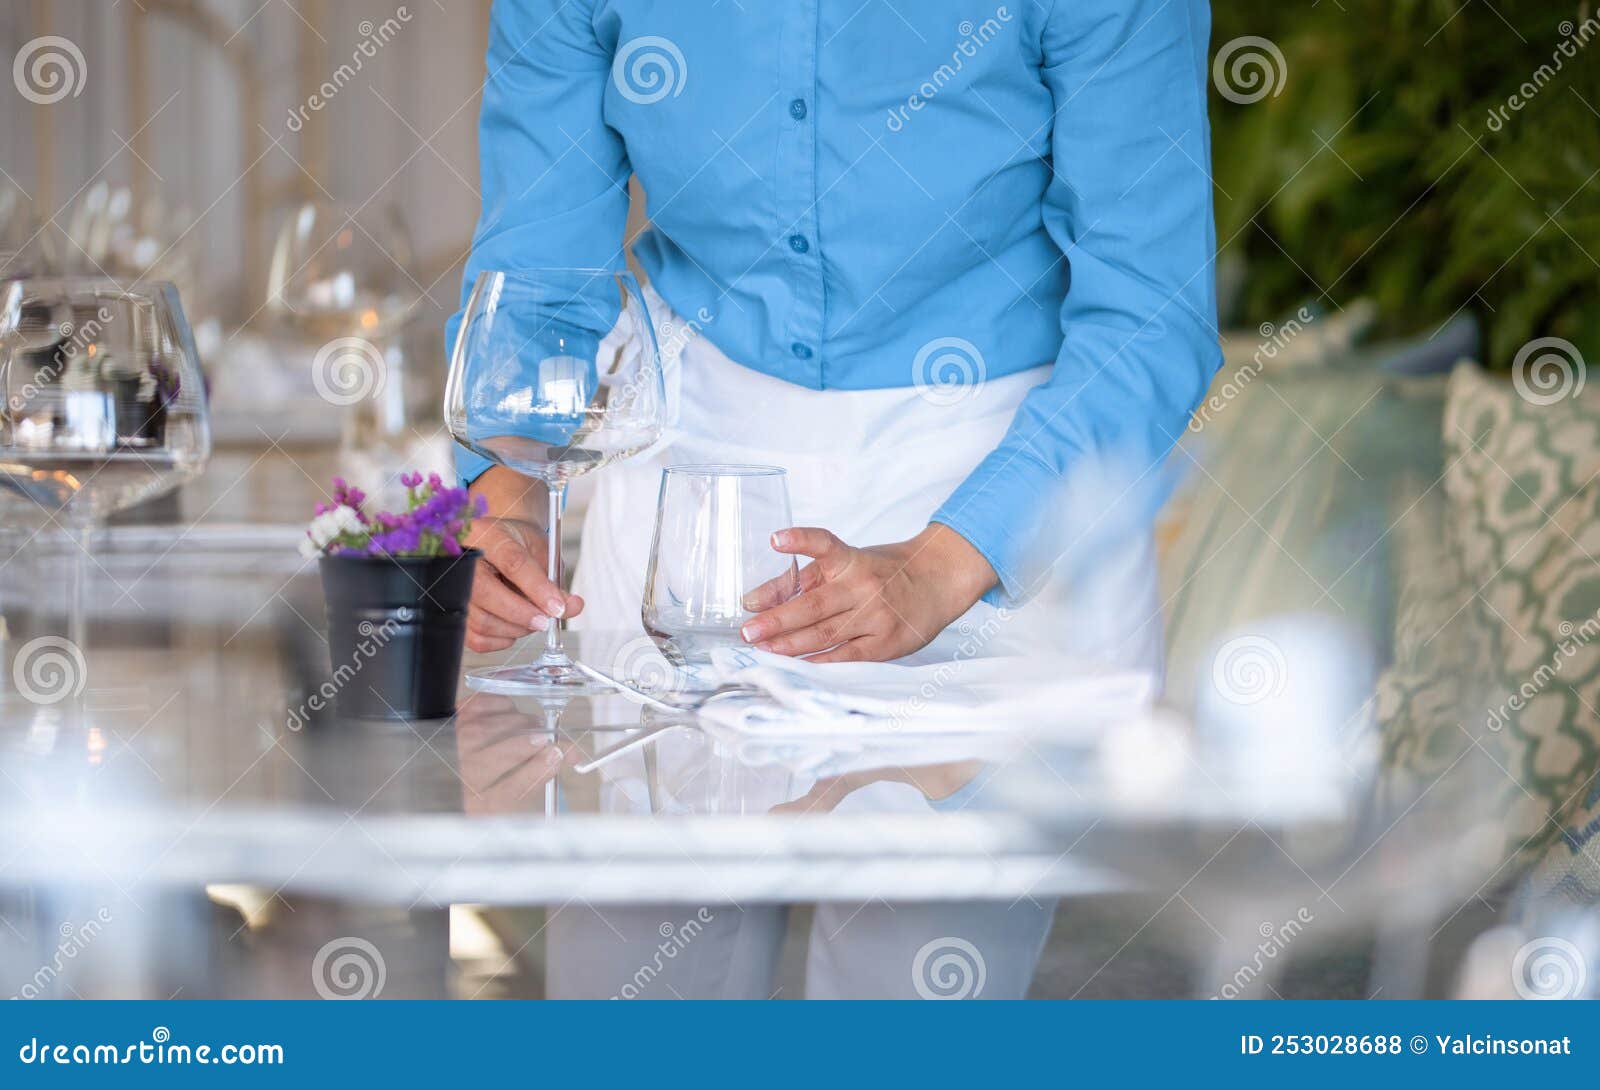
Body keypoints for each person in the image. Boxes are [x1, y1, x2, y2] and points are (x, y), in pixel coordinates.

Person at [450, 0, 1221, 998]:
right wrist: (510, 497)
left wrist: (939, 564)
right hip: (685, 460)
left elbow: (1149, 314)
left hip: (988, 486)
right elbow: (537, 282)